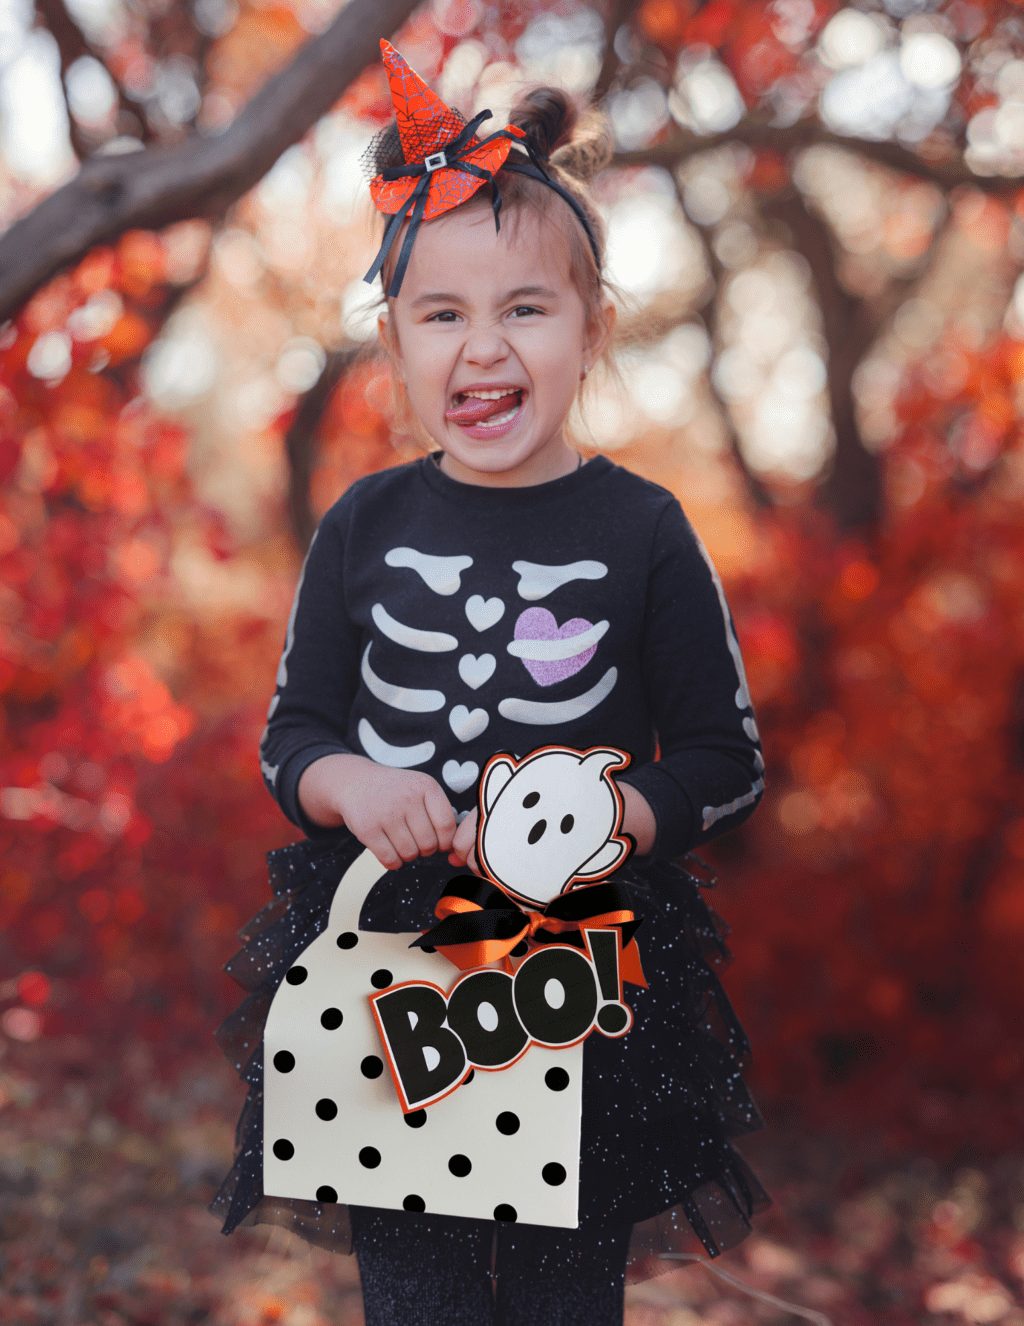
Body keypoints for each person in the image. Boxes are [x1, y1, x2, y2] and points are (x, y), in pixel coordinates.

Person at [211, 40, 770, 1326]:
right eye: (441, 315)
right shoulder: (359, 526)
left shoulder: (645, 531)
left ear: (591, 331)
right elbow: (293, 735)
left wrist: (610, 816)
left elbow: (725, 761)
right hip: (389, 960)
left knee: (565, 1295)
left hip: (577, 974)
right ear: (394, 344)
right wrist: (354, 785)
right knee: (417, 1292)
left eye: (525, 309)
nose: (483, 349)